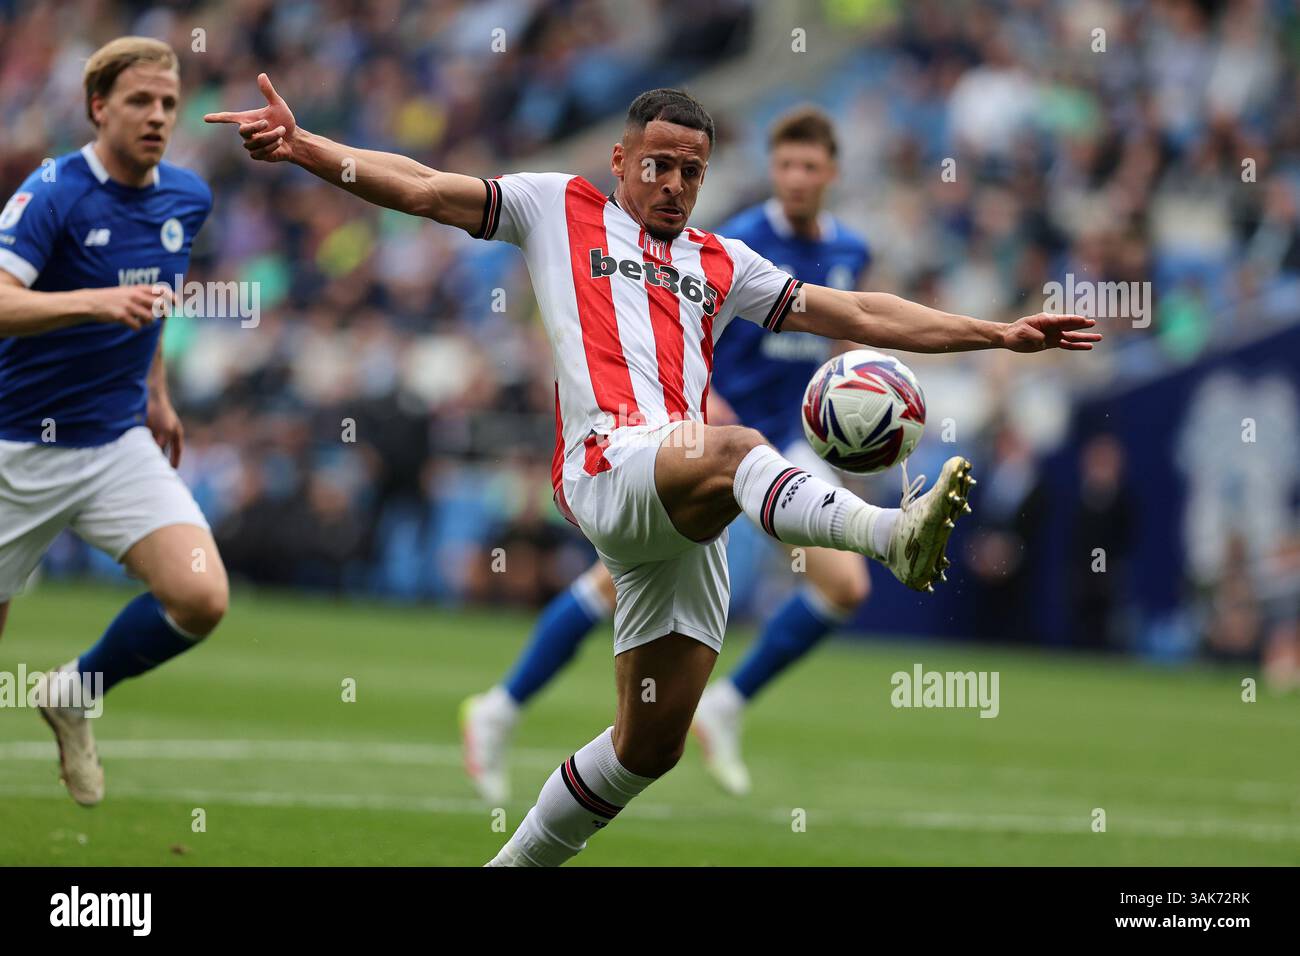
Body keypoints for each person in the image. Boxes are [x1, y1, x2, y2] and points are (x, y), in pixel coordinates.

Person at [206, 78, 1099, 865]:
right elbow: (427, 189)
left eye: (691, 172)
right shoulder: (557, 206)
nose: (673, 185)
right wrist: (305, 147)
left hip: (674, 510)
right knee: (741, 445)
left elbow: (855, 308)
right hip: (608, 465)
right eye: (659, 165)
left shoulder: (720, 262)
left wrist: (998, 332)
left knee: (647, 747)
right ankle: (888, 536)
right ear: (622, 158)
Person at [460, 106, 880, 802]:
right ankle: (503, 704)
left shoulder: (851, 251)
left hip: (779, 445)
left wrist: (857, 404)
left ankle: (724, 702)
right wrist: (712, 428)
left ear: (832, 173)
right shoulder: (736, 239)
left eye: (810, 167)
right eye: (785, 166)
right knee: (612, 583)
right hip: (712, 434)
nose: (796, 179)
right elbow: (683, 343)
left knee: (843, 586)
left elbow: (843, 331)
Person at [0, 37, 228, 806]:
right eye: (139, 101)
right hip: (16, 449)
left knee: (201, 597)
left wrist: (156, 393)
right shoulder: (53, 192)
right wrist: (91, 302)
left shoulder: (186, 197)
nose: (158, 116)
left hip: (115, 441)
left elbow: (152, 303)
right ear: (98, 107)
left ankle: (74, 691)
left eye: (168, 102)